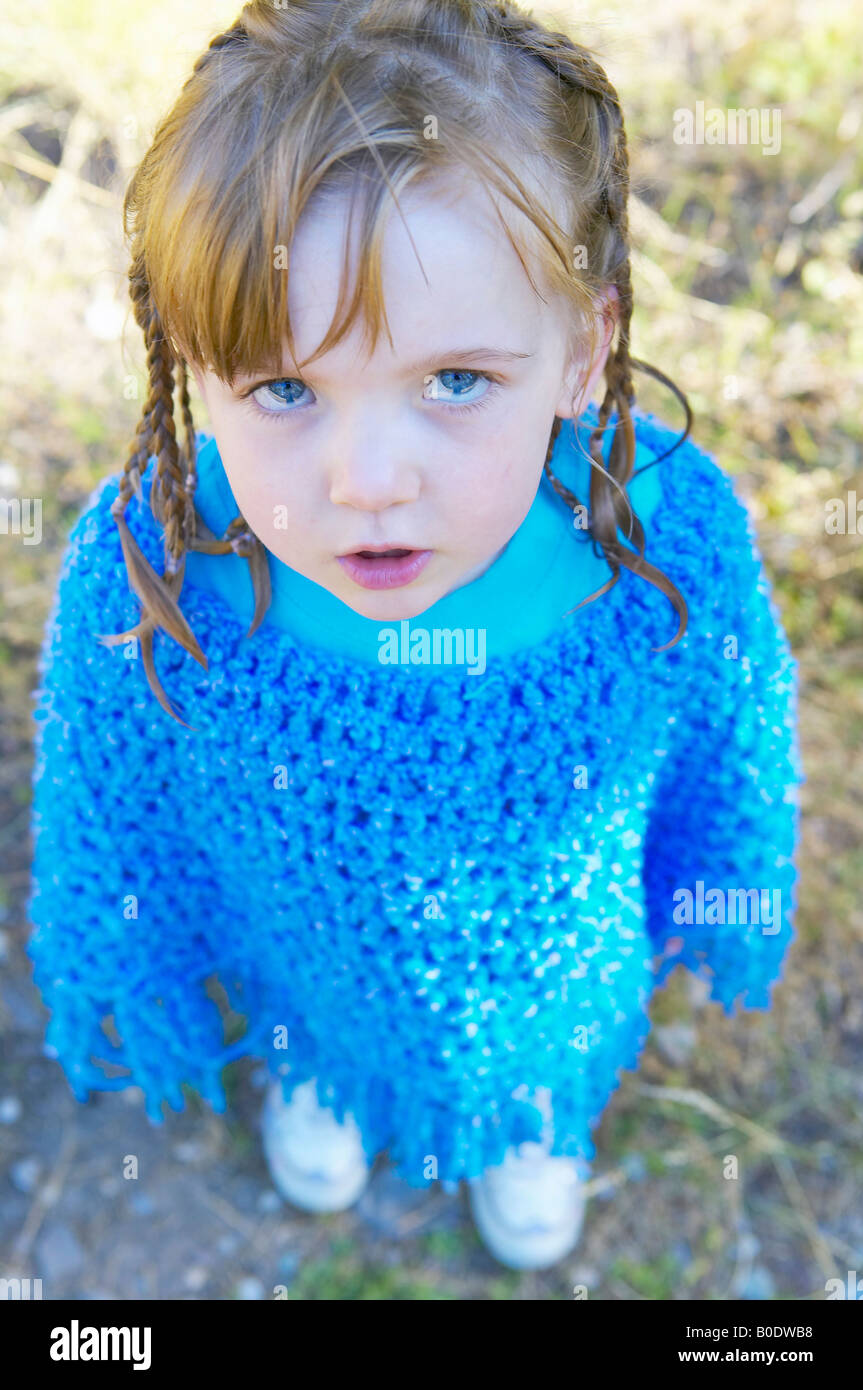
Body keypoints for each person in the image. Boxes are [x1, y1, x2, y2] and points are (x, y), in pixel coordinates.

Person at [26, 0, 802, 1272]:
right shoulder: (158, 575)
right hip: (303, 953)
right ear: (194, 365)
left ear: (579, 351)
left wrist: (730, 880)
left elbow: (733, 741)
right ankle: (325, 1077)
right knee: (318, 1020)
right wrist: (138, 947)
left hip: (550, 974)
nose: (367, 479)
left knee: (534, 1048)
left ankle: (524, 1125)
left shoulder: (658, 539)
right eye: (284, 387)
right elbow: (112, 813)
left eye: (454, 381)